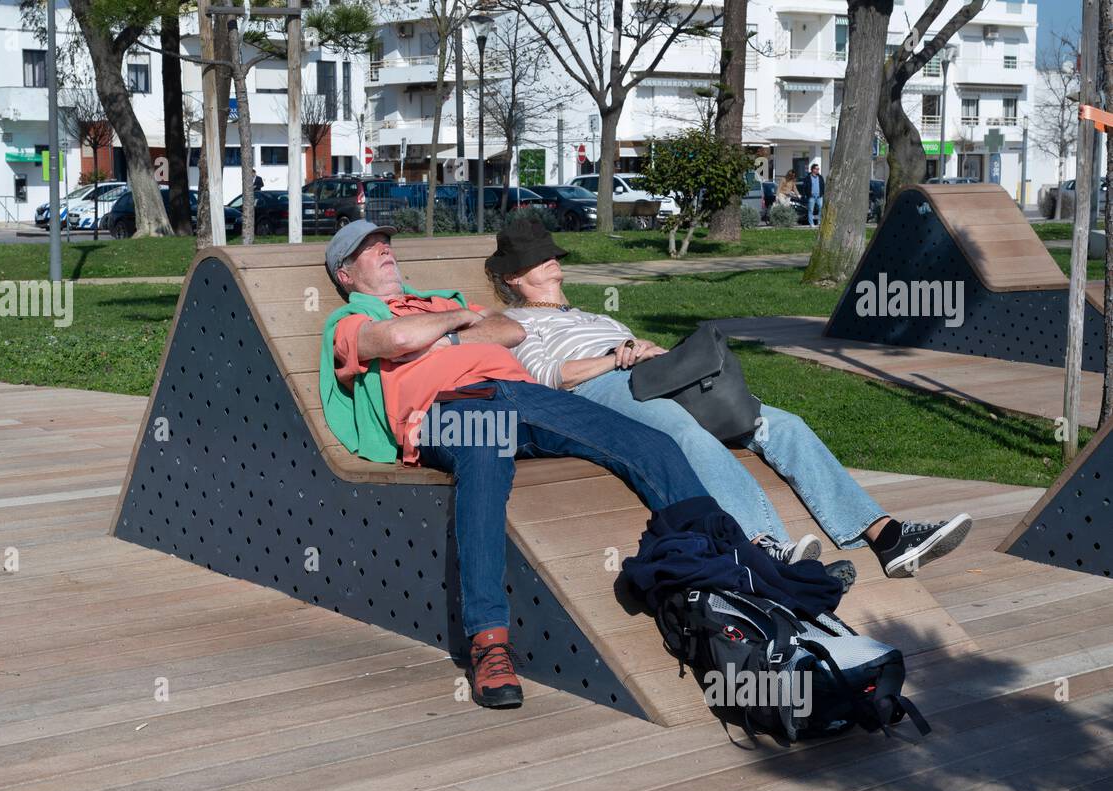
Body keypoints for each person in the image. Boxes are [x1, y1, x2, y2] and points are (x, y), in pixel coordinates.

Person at [321, 220, 721, 711]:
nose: (384, 251)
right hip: (448, 411)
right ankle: (489, 643)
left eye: (385, 244)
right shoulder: (349, 322)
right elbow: (397, 336)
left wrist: (440, 333)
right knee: (486, 461)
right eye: (368, 250)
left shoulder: (438, 302)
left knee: (647, 442)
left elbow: (509, 329)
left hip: (521, 395)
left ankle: (729, 578)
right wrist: (462, 323)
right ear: (345, 274)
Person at [486, 219, 973, 579]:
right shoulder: (516, 324)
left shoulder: (594, 316)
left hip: (647, 374)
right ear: (512, 278)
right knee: (683, 431)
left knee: (778, 423)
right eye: (536, 258)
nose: (551, 259)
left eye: (551, 253)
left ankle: (886, 536)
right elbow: (550, 377)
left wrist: (645, 351)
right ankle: (768, 548)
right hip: (600, 390)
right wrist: (616, 358)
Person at [804, 162, 825, 227]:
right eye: (817, 169)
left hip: (819, 196)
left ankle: (819, 222)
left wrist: (822, 193)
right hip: (811, 196)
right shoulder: (808, 177)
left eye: (818, 169)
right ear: (813, 169)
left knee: (821, 208)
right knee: (811, 210)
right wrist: (808, 194)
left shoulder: (820, 177)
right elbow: (805, 187)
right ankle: (811, 223)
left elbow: (823, 185)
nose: (818, 170)